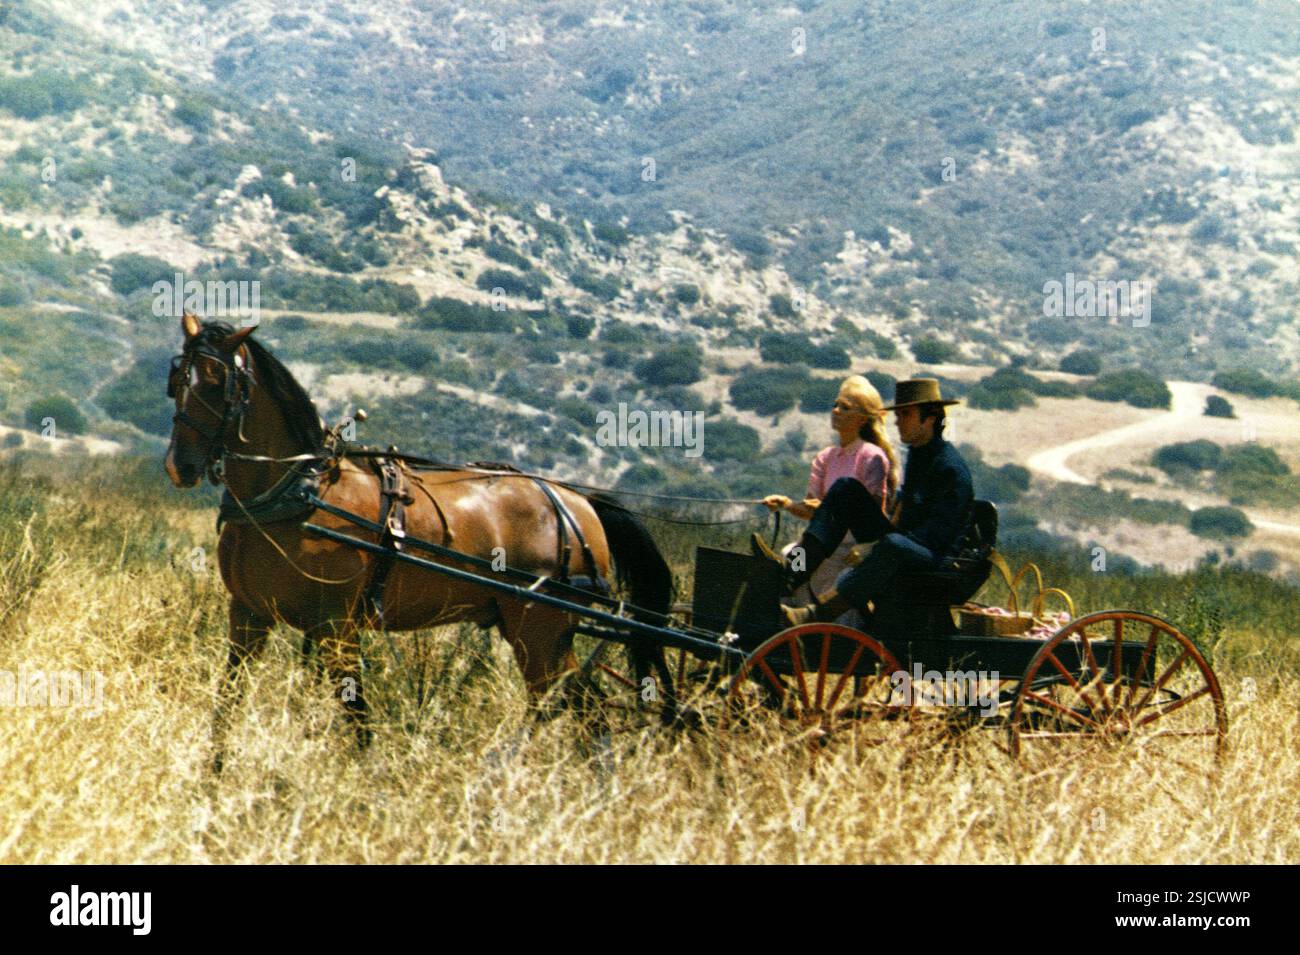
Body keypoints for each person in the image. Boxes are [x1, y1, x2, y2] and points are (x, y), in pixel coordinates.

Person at [753, 378, 973, 625]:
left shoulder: (949, 467)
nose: (898, 421)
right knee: (846, 489)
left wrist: (875, 545)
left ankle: (818, 613)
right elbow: (903, 512)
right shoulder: (920, 455)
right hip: (903, 544)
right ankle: (790, 575)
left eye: (906, 414)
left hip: (936, 557)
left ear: (930, 418)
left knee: (893, 544)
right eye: (898, 414)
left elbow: (936, 536)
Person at [757, 375, 898, 604]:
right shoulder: (826, 457)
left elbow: (873, 513)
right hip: (823, 542)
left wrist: (826, 509)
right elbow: (814, 511)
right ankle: (792, 597)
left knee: (807, 564)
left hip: (853, 543)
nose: (836, 411)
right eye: (835, 405)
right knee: (791, 552)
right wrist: (787, 504)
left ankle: (792, 586)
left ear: (862, 419)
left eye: (845, 408)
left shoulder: (871, 456)